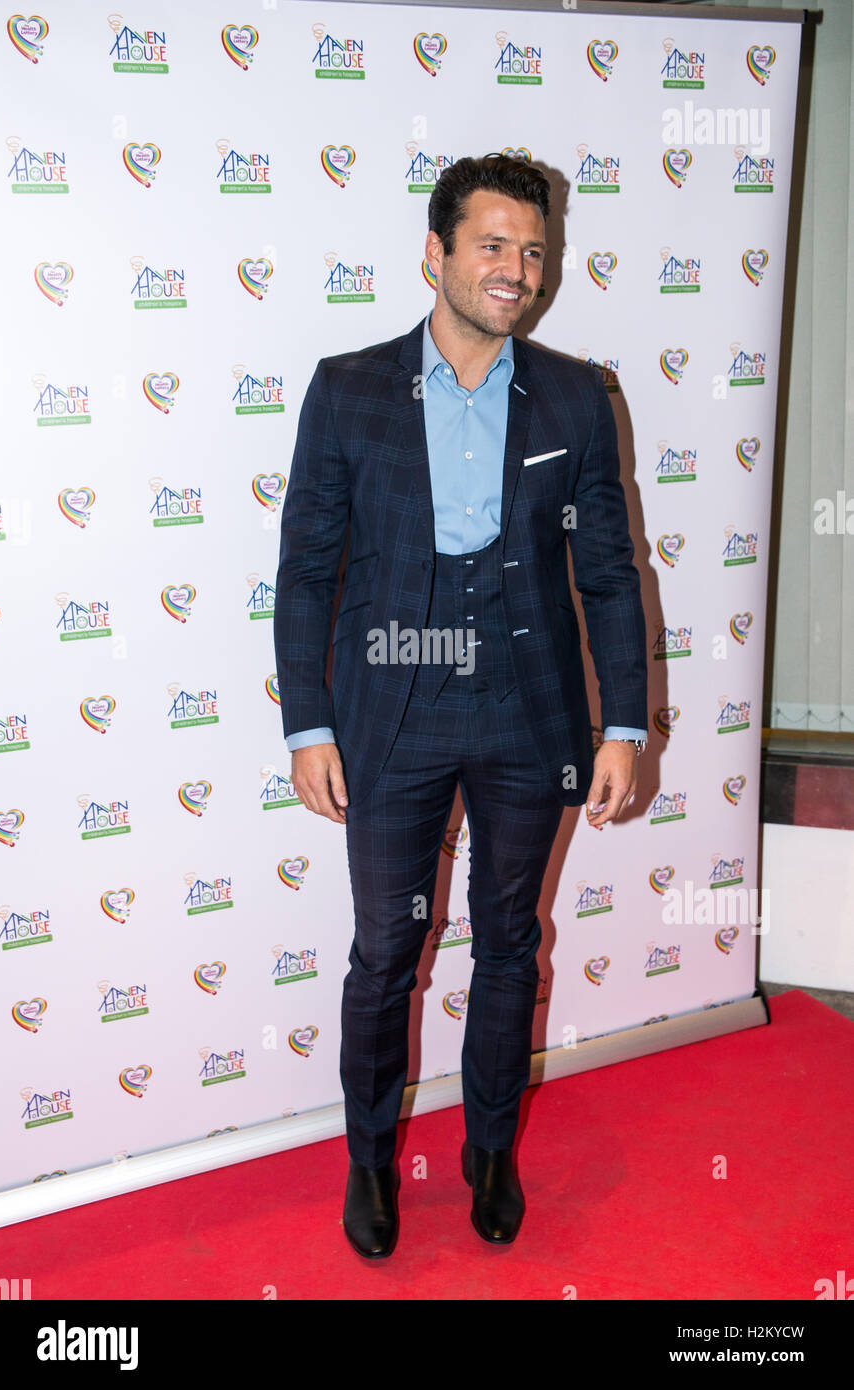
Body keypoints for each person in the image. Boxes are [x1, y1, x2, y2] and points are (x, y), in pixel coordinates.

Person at [273, 153, 647, 1259]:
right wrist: (309, 724)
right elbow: (305, 570)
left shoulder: (577, 393)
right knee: (387, 946)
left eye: (532, 251)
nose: (516, 270)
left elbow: (611, 574)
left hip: (531, 714)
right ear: (434, 254)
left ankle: (489, 1150)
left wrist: (622, 721)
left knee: (508, 943)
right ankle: (373, 1162)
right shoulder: (348, 387)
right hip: (393, 704)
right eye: (493, 245)